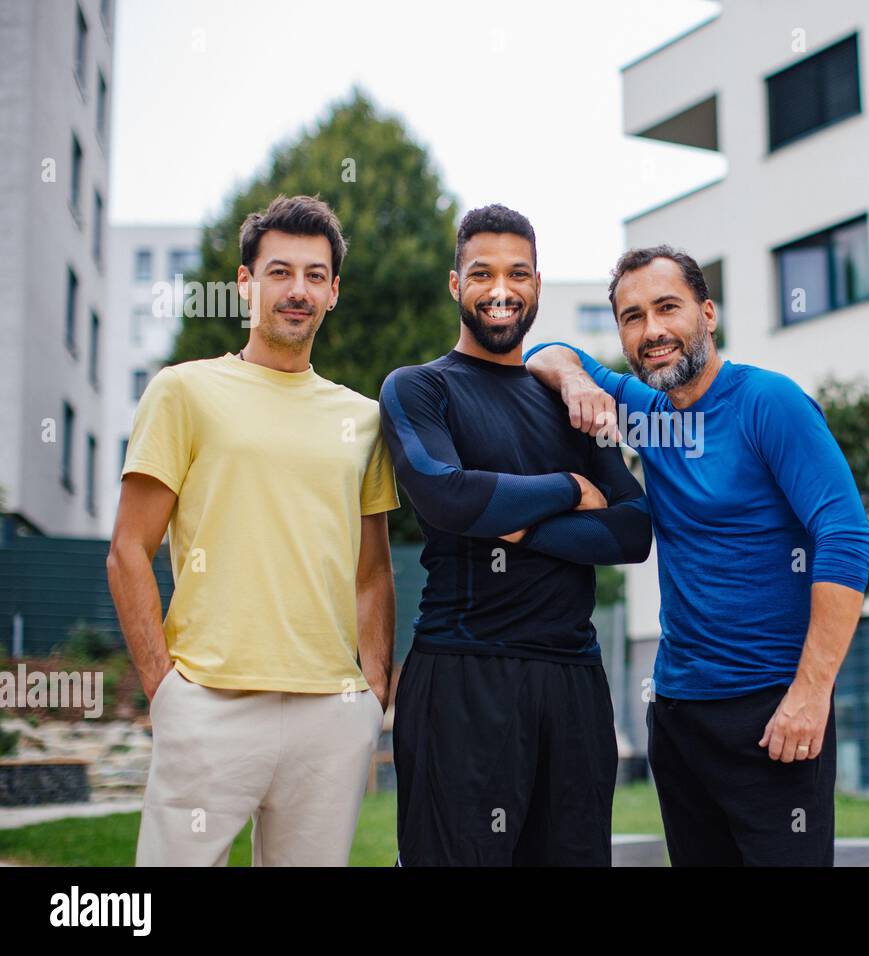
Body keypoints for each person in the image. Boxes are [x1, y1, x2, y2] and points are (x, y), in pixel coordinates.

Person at [525, 245, 869, 866]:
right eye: (633, 317)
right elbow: (546, 353)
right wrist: (578, 381)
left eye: (668, 308)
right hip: (680, 716)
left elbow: (846, 537)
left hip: (773, 713)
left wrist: (810, 693)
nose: (653, 330)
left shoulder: (770, 403)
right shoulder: (650, 415)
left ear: (707, 313)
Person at [107, 195, 399, 866]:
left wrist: (372, 691)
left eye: (316, 275)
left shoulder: (363, 420)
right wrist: (165, 686)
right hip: (208, 703)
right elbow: (128, 550)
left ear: (333, 293)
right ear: (245, 282)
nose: (298, 290)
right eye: (280, 271)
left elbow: (373, 569)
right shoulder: (184, 392)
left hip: (332, 711)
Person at [380, 204, 652, 866]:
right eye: (482, 273)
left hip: (574, 683)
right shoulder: (420, 389)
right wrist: (566, 488)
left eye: (518, 273)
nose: (501, 290)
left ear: (536, 285)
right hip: (462, 675)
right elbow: (445, 494)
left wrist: (511, 525)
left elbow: (632, 530)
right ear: (455, 285)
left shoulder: (571, 400)